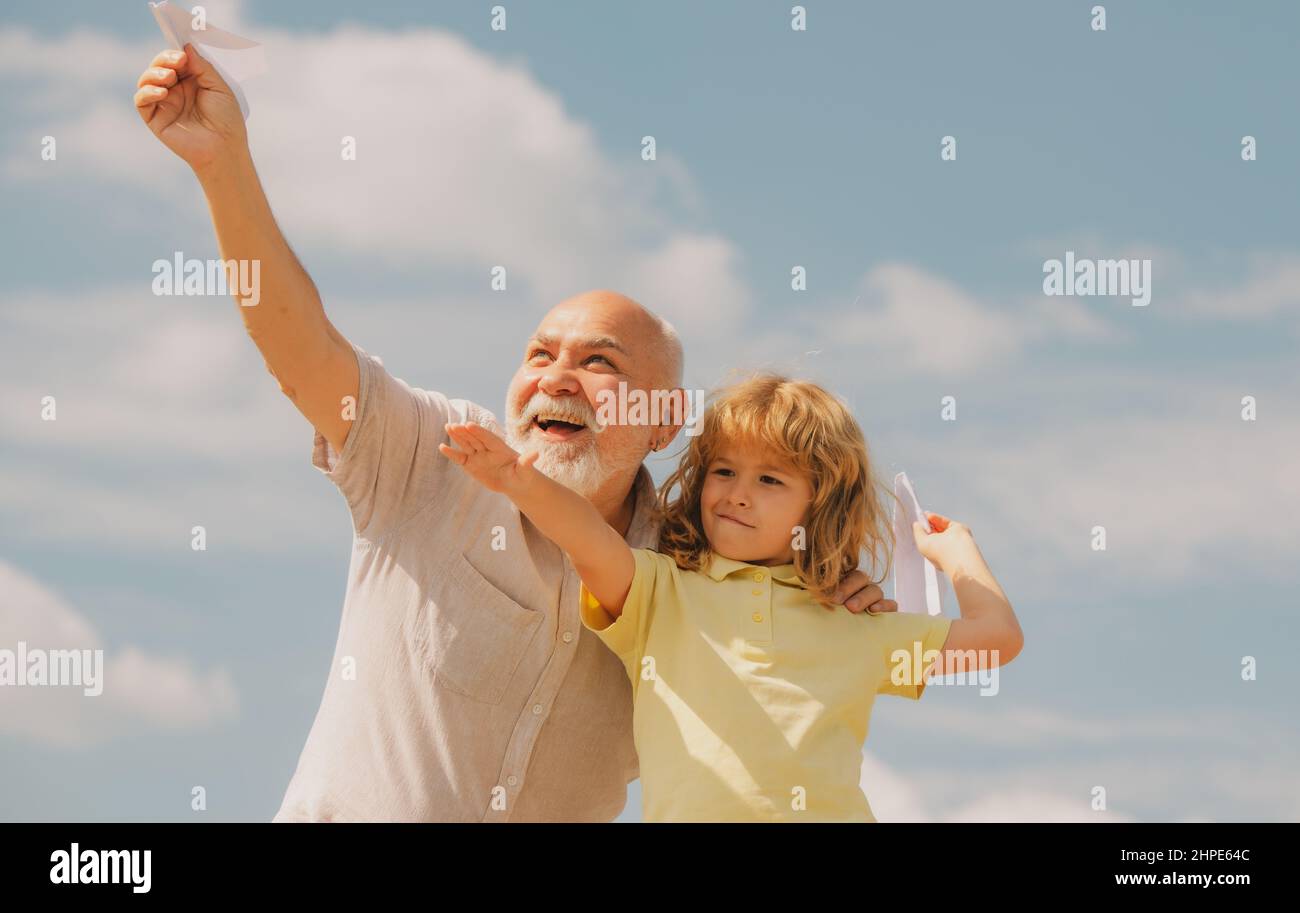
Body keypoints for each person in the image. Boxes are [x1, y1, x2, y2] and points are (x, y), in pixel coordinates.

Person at [133, 43, 902, 821]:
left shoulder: (692, 576)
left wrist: (826, 584)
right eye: (540, 354)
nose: (558, 377)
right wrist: (221, 164)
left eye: (600, 361)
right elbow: (302, 352)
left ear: (664, 419)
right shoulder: (439, 454)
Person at [441, 374, 1024, 821]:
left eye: (770, 480)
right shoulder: (660, 595)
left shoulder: (858, 625)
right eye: (723, 471)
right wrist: (520, 481)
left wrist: (959, 553)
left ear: (818, 506)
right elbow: (589, 539)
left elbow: (996, 641)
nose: (737, 495)